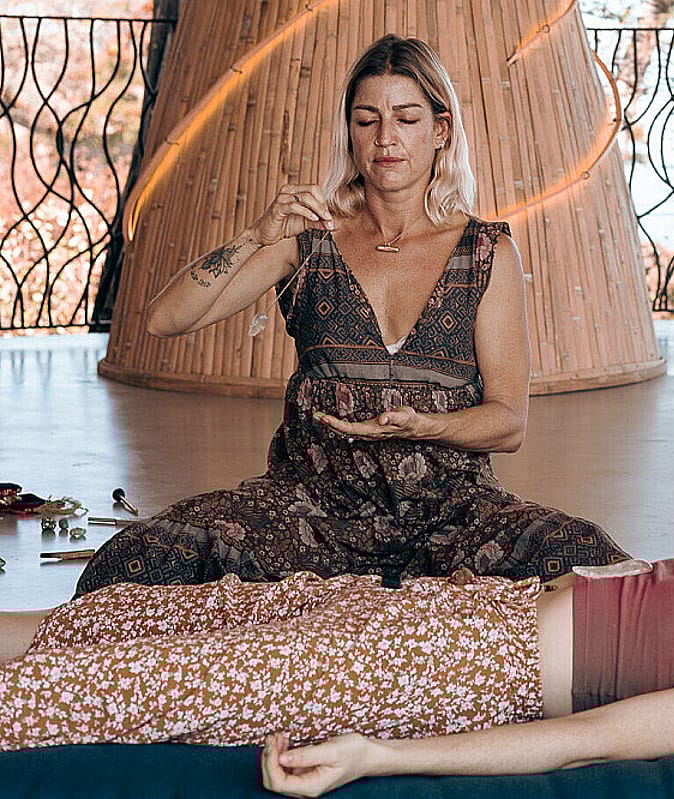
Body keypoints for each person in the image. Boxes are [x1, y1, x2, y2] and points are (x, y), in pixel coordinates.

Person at [75, 35, 628, 595]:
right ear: (350, 132)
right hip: (309, 513)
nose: (385, 138)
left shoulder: (485, 253)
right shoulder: (309, 236)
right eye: (367, 120)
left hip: (453, 516)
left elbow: (508, 423)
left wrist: (424, 426)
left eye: (406, 119)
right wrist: (255, 236)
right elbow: (164, 319)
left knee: (587, 556)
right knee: (140, 557)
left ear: (441, 131)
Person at [0, 551, 674, 797]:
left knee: (95, 685)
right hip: (443, 610)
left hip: (426, 669)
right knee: (112, 619)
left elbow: (588, 740)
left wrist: (379, 755)